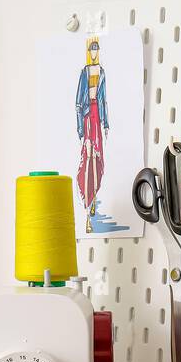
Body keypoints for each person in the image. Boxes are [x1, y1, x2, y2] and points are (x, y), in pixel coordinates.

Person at [75, 37, 109, 232]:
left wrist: (106, 123)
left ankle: (93, 197)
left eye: (96, 49)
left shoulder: (102, 72)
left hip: (97, 118)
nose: (94, 52)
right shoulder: (84, 72)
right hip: (88, 119)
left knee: (98, 160)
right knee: (88, 160)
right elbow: (79, 103)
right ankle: (87, 208)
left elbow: (103, 100)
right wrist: (81, 129)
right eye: (92, 49)